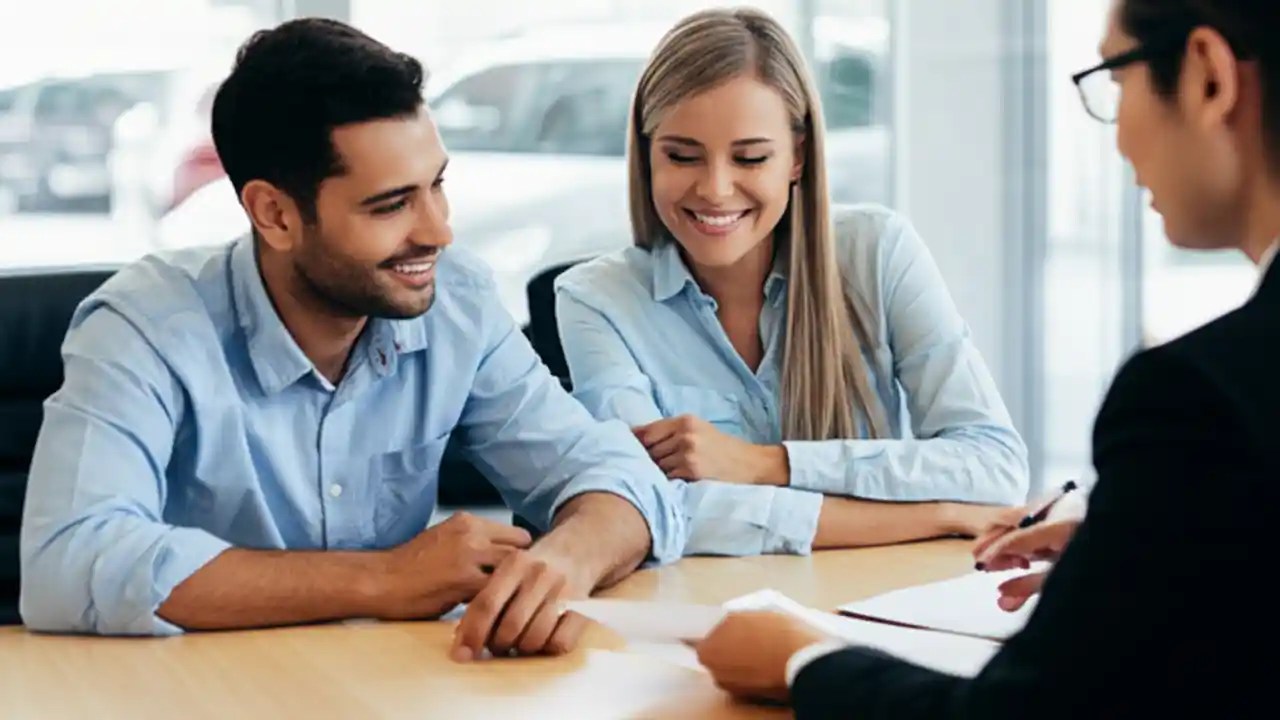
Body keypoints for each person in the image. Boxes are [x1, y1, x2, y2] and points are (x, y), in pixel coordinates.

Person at [18, 19, 686, 661]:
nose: (438, 231)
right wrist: (383, 579)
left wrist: (562, 563)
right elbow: (69, 563)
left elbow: (617, 477)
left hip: (384, 685)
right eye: (392, 205)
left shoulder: (456, 303)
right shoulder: (146, 326)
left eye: (437, 186)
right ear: (275, 214)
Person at [695, 0, 1280, 715]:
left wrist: (801, 660)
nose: (1118, 137)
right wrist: (1148, 541)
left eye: (1114, 80)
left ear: (1208, 77)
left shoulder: (1198, 394)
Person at [553, 7, 1028, 557]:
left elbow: (993, 465)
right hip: (703, 614)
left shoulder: (878, 251)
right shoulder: (595, 300)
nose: (715, 189)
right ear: (646, 152)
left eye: (750, 157)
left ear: (797, 156)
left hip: (876, 605)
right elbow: (653, 508)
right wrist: (937, 515)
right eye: (681, 156)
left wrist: (766, 464)